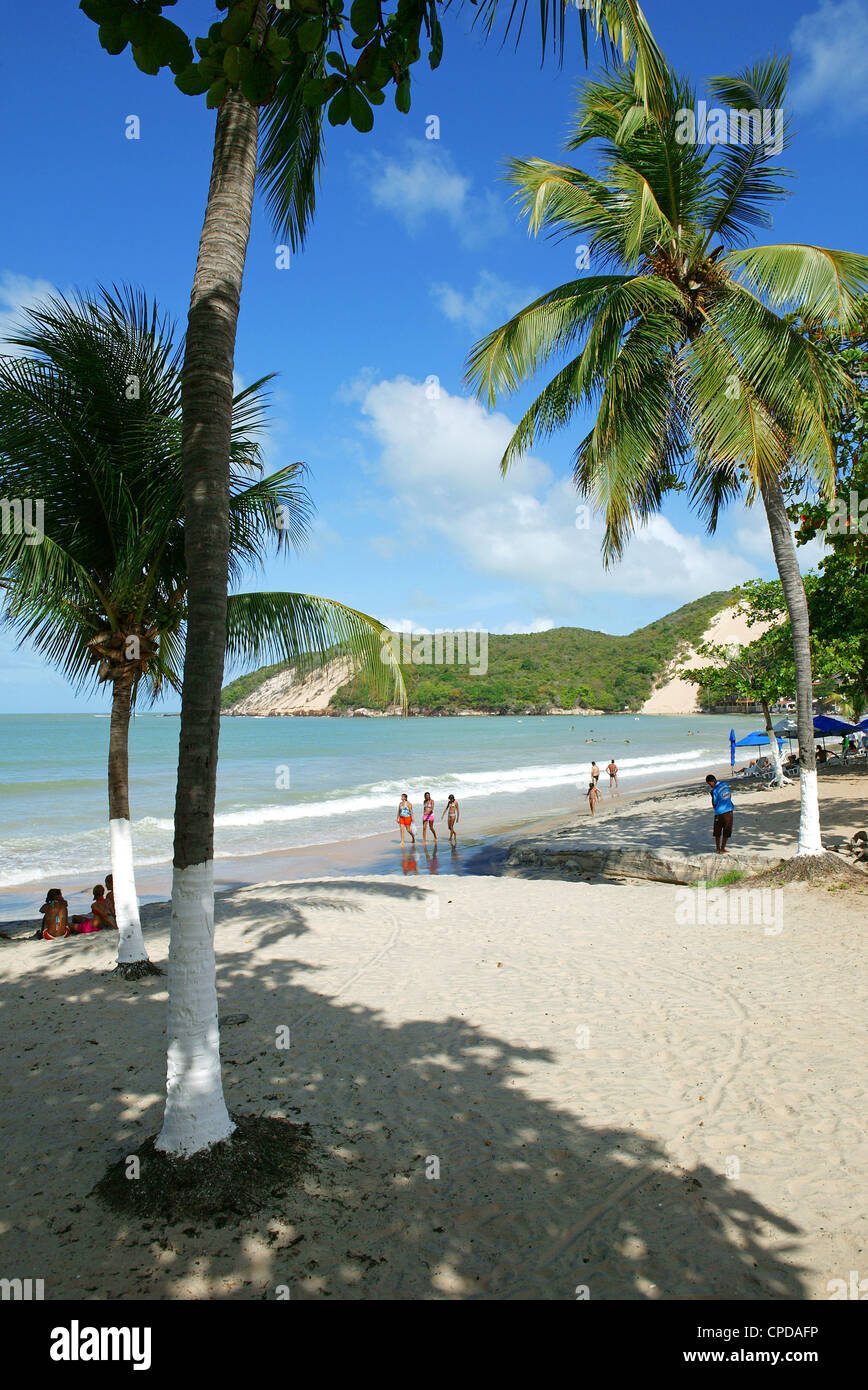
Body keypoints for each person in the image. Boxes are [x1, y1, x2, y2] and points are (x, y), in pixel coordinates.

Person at [705, 774, 735, 853]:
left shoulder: (714, 791)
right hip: (729, 811)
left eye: (709, 784)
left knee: (717, 831)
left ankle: (718, 848)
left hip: (719, 812)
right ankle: (722, 848)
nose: (709, 785)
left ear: (712, 781)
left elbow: (714, 804)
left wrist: (712, 796)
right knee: (727, 830)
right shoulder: (725, 784)